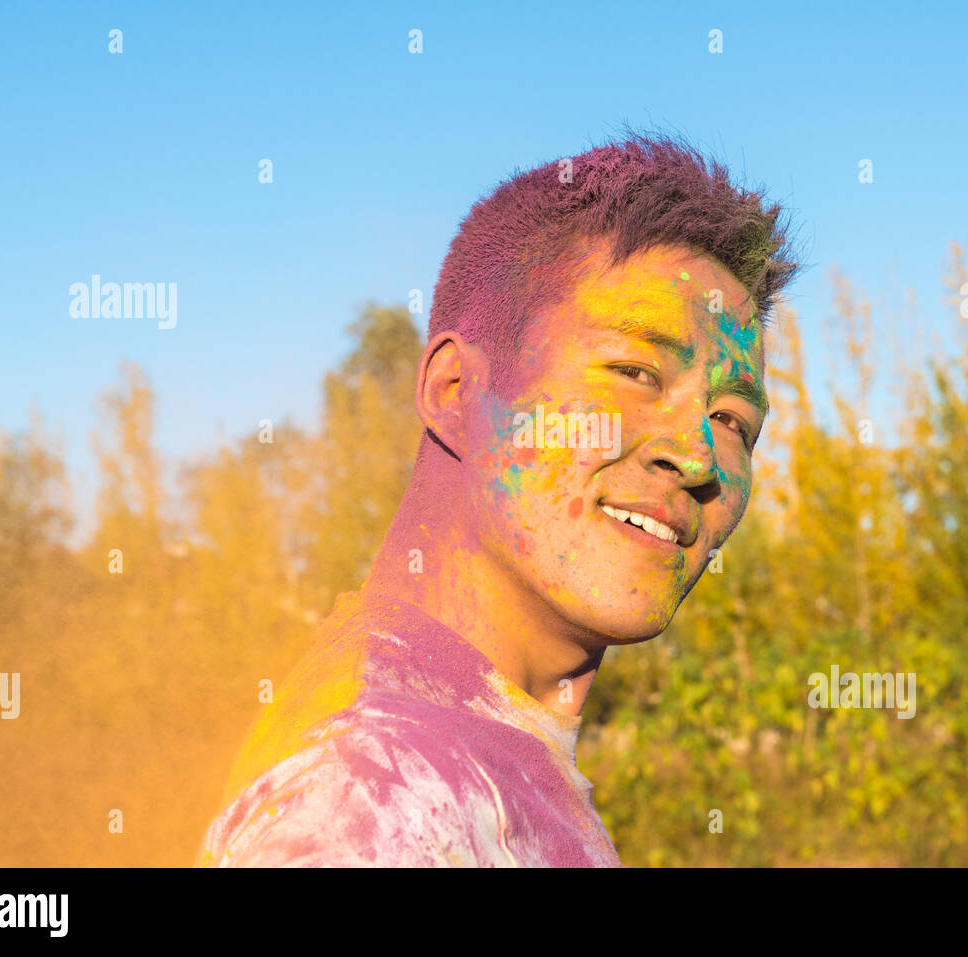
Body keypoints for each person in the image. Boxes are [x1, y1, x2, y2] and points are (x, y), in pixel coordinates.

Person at [197, 131, 797, 866]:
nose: (701, 456)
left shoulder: (484, 754)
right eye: (636, 372)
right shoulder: (377, 797)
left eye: (734, 420)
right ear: (455, 392)